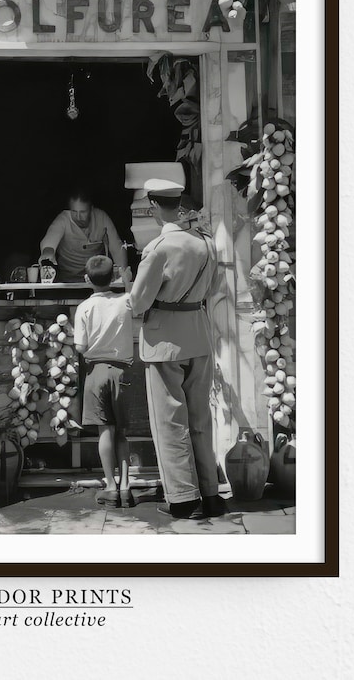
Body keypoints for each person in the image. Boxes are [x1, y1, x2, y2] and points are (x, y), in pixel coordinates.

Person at [126, 179, 225, 520]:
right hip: (198, 336)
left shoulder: (159, 248)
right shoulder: (206, 244)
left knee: (170, 422)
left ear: (153, 206)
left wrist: (127, 294)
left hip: (165, 341)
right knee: (200, 419)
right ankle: (211, 493)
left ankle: (184, 498)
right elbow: (214, 288)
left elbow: (139, 301)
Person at [73, 255, 134, 508]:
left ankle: (110, 486)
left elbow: (80, 345)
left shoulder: (84, 308)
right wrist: (128, 283)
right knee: (122, 432)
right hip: (122, 371)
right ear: (114, 277)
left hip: (95, 372)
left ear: (87, 279)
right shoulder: (125, 301)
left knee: (105, 430)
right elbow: (137, 299)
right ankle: (126, 487)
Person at [39, 187, 130, 284]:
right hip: (67, 280)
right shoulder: (63, 220)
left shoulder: (101, 218)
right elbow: (49, 243)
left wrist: (123, 278)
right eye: (74, 212)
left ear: (91, 209)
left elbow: (117, 249)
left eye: (82, 212)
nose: (78, 217)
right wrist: (48, 252)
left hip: (97, 280)